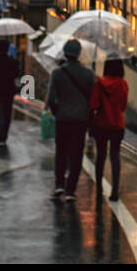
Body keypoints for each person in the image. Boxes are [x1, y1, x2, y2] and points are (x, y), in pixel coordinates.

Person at [45, 40, 94, 202]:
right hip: (81, 119)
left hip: (63, 119)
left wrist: (56, 111)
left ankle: (59, 184)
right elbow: (92, 99)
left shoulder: (57, 74)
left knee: (61, 151)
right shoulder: (88, 74)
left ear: (65, 54)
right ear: (79, 54)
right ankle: (71, 190)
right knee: (76, 153)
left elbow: (51, 98)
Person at [89, 58, 129, 202]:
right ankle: (115, 190)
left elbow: (93, 104)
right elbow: (123, 106)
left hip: (101, 124)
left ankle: (99, 187)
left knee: (100, 155)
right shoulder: (123, 84)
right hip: (117, 124)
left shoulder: (99, 84)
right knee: (115, 155)